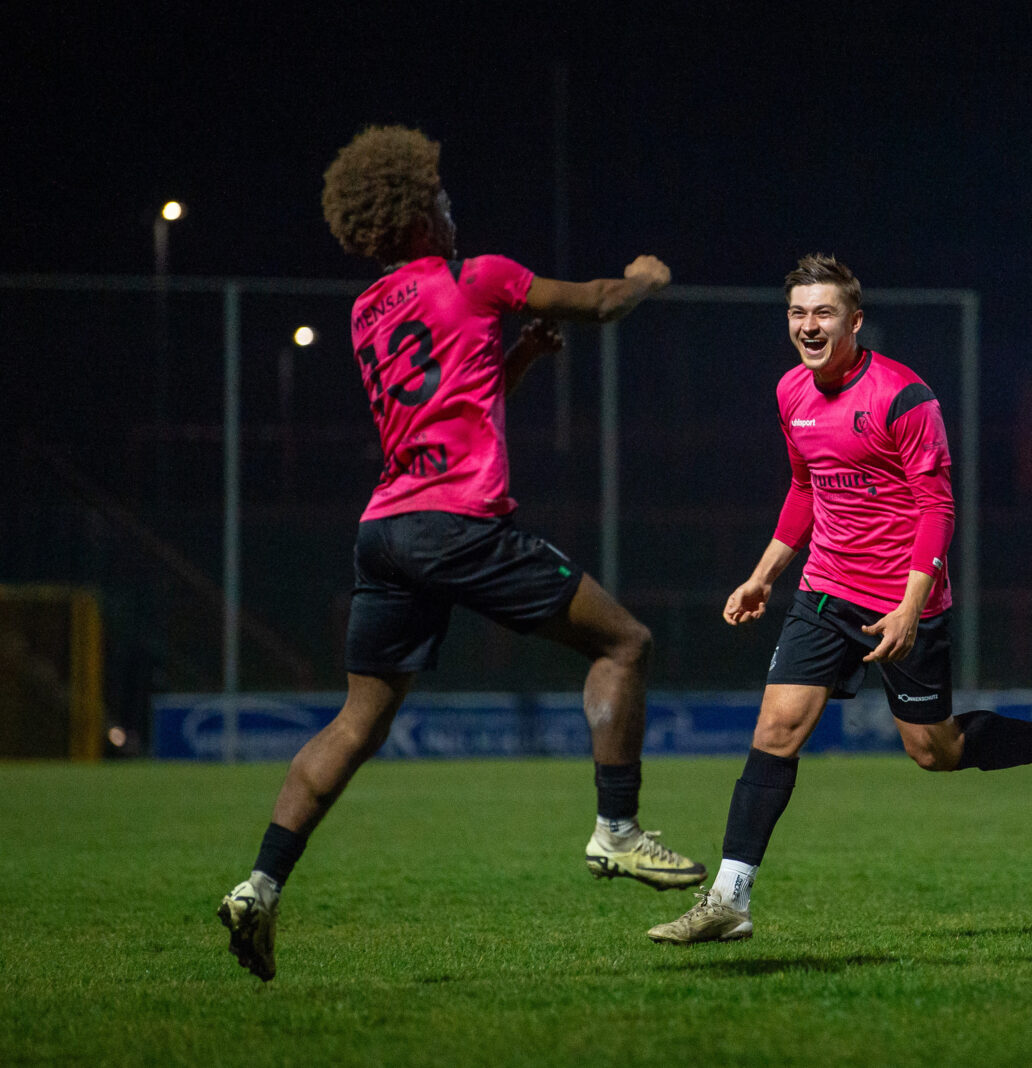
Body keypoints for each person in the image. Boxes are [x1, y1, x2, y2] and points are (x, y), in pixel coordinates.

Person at [218, 125, 704, 982]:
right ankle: (617, 830)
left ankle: (260, 884)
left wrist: (513, 359)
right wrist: (645, 279)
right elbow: (595, 301)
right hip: (457, 522)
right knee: (625, 641)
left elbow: (441, 406)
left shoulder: (369, 311)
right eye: (438, 198)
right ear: (412, 214)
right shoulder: (474, 275)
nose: (450, 208)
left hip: (386, 531)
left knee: (357, 721)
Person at [647, 254, 1032, 944]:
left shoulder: (904, 397)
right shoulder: (790, 392)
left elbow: (937, 506)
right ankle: (729, 899)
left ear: (854, 320)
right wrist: (765, 573)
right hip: (823, 589)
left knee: (933, 750)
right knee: (775, 731)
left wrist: (909, 605)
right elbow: (806, 488)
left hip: (903, 599)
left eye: (823, 313)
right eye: (797, 313)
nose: (809, 326)